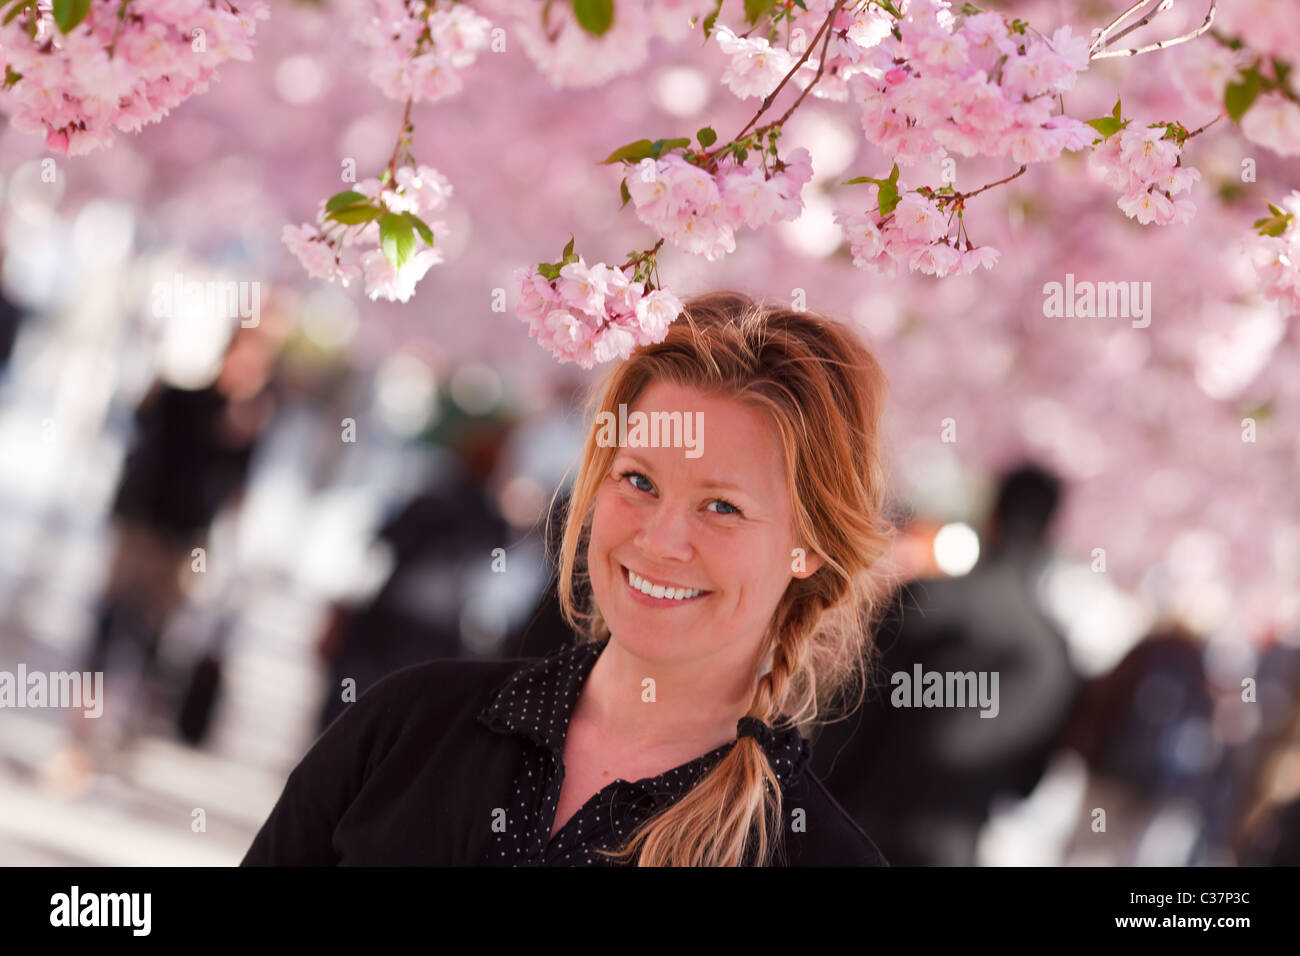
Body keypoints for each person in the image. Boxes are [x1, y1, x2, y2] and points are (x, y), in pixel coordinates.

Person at [242, 290, 894, 866]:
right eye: (638, 481)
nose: (660, 540)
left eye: (722, 506)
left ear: (809, 547)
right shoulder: (408, 723)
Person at [812, 463, 1081, 865]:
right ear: (1048, 534)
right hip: (951, 849)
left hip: (858, 829)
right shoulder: (1055, 655)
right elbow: (1026, 784)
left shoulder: (924, 600)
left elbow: (844, 721)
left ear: (992, 516)